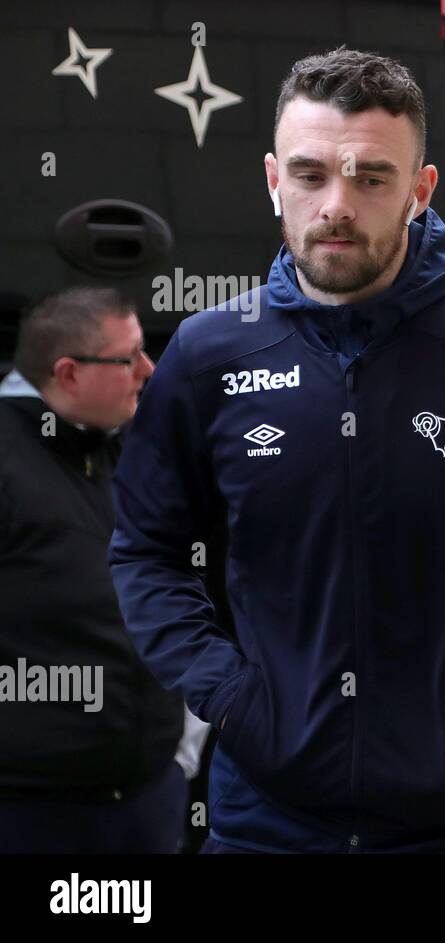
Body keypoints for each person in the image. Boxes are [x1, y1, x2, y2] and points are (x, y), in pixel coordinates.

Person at [108, 47, 445, 854]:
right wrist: (233, 701)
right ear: (272, 180)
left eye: (371, 178)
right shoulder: (208, 354)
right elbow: (146, 550)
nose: (336, 204)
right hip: (263, 822)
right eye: (311, 173)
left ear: (419, 190)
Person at [0, 286, 205, 853]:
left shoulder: (128, 454)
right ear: (67, 374)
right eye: (129, 357)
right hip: (33, 812)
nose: (149, 369)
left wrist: (176, 758)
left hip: (146, 797)